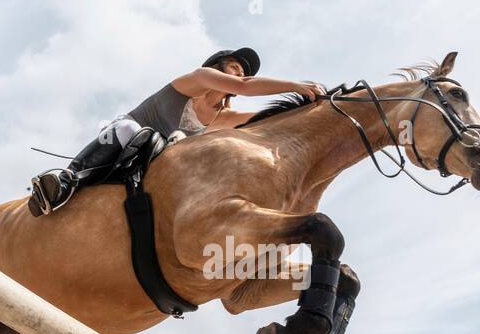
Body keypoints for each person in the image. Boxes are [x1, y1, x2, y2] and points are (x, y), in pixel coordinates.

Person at [29, 48, 325, 215]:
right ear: (217, 67)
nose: (240, 75)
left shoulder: (223, 116)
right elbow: (246, 88)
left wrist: (314, 106)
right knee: (135, 129)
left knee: (184, 155)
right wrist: (296, 85)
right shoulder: (197, 79)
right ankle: (65, 181)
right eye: (235, 67)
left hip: (151, 167)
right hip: (123, 142)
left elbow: (266, 118)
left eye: (242, 72)